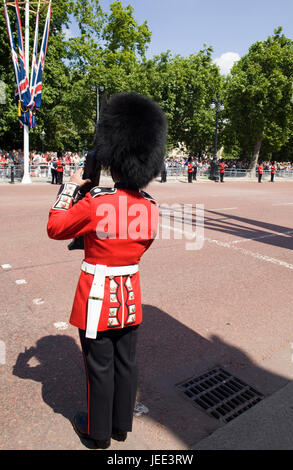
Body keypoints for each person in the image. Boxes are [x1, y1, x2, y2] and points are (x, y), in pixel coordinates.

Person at [47, 92, 167, 449]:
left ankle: (97, 434)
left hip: (97, 297)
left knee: (98, 367)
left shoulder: (96, 202)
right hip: (130, 296)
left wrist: (73, 187)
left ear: (113, 160)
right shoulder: (151, 207)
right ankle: (120, 425)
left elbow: (55, 228)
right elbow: (140, 244)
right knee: (126, 364)